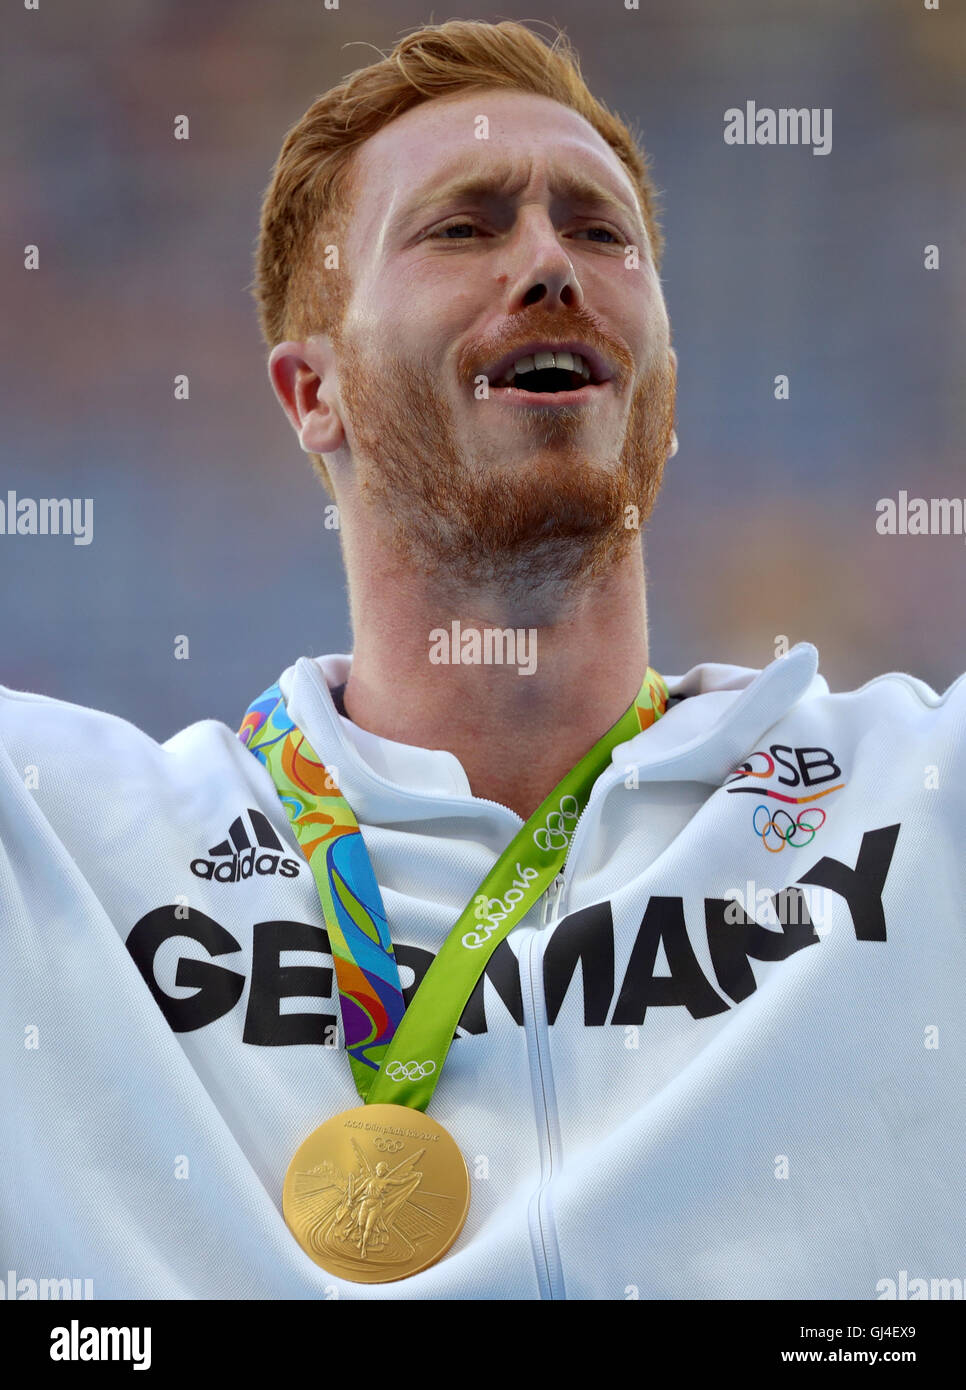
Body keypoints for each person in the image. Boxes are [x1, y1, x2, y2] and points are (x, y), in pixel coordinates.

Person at [1, 19, 963, 1302]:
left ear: (663, 377)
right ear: (310, 392)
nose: (553, 262)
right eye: (464, 227)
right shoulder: (59, 849)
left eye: (601, 230)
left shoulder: (919, 801)